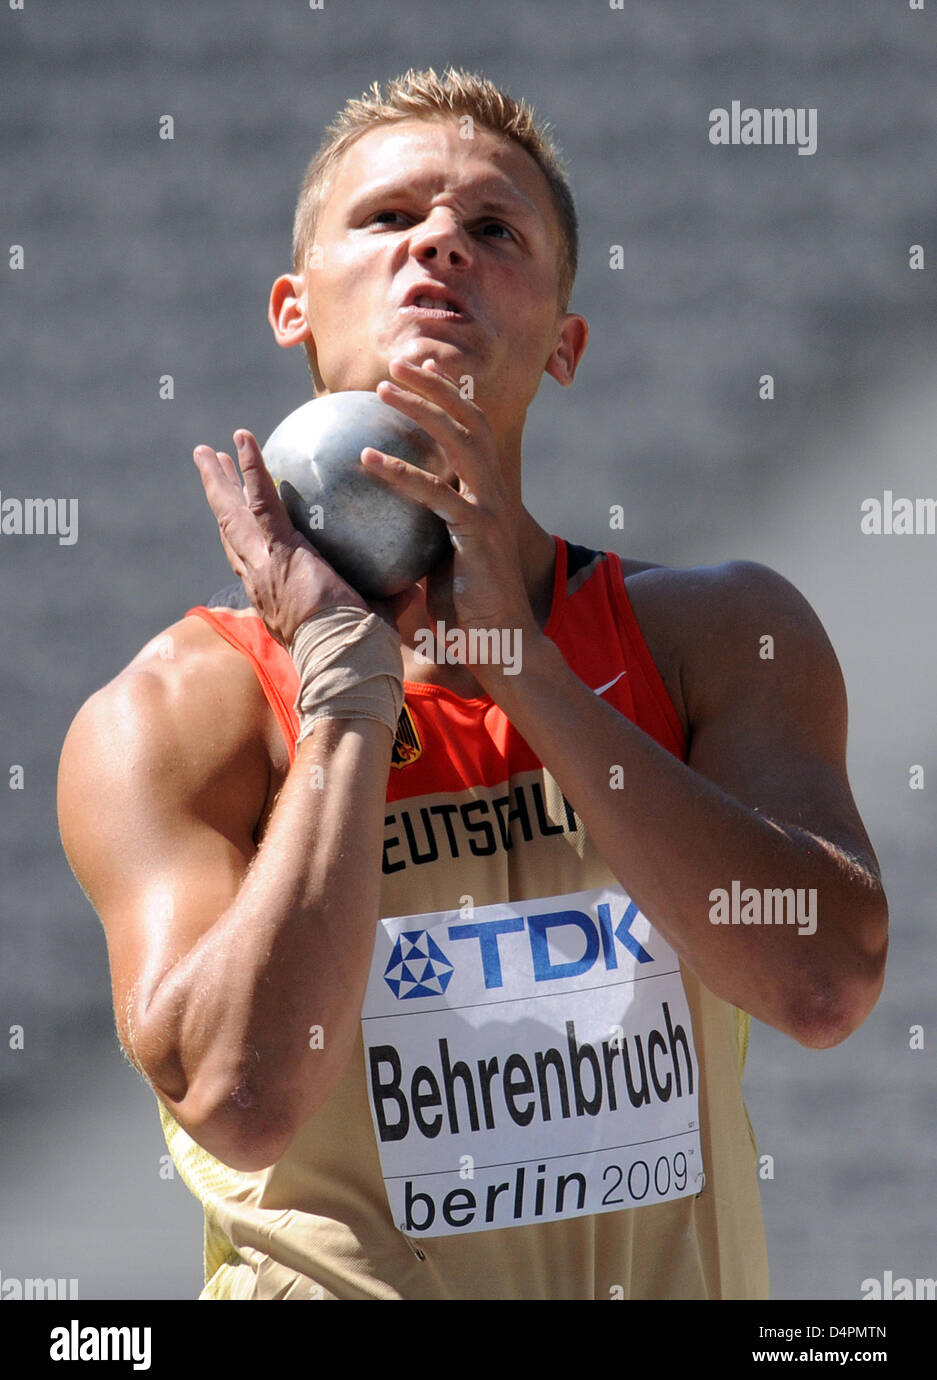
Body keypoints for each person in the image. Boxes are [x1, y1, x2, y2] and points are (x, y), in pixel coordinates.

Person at [57, 66, 888, 1300]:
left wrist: (531, 673)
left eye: (493, 229)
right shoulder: (184, 707)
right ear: (293, 306)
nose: (439, 239)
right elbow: (240, 1098)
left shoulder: (711, 637)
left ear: (564, 343)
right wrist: (343, 699)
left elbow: (820, 981)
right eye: (389, 219)